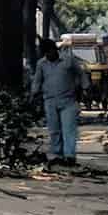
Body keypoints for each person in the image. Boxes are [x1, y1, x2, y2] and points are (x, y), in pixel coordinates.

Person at [31, 39, 89, 168]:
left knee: (69, 129)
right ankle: (57, 155)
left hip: (68, 101)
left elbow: (81, 73)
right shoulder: (42, 64)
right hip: (50, 101)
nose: (48, 55)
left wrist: (85, 88)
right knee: (54, 130)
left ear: (54, 50)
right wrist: (34, 93)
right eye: (45, 53)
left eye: (49, 52)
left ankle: (69, 156)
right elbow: (37, 80)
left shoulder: (68, 61)